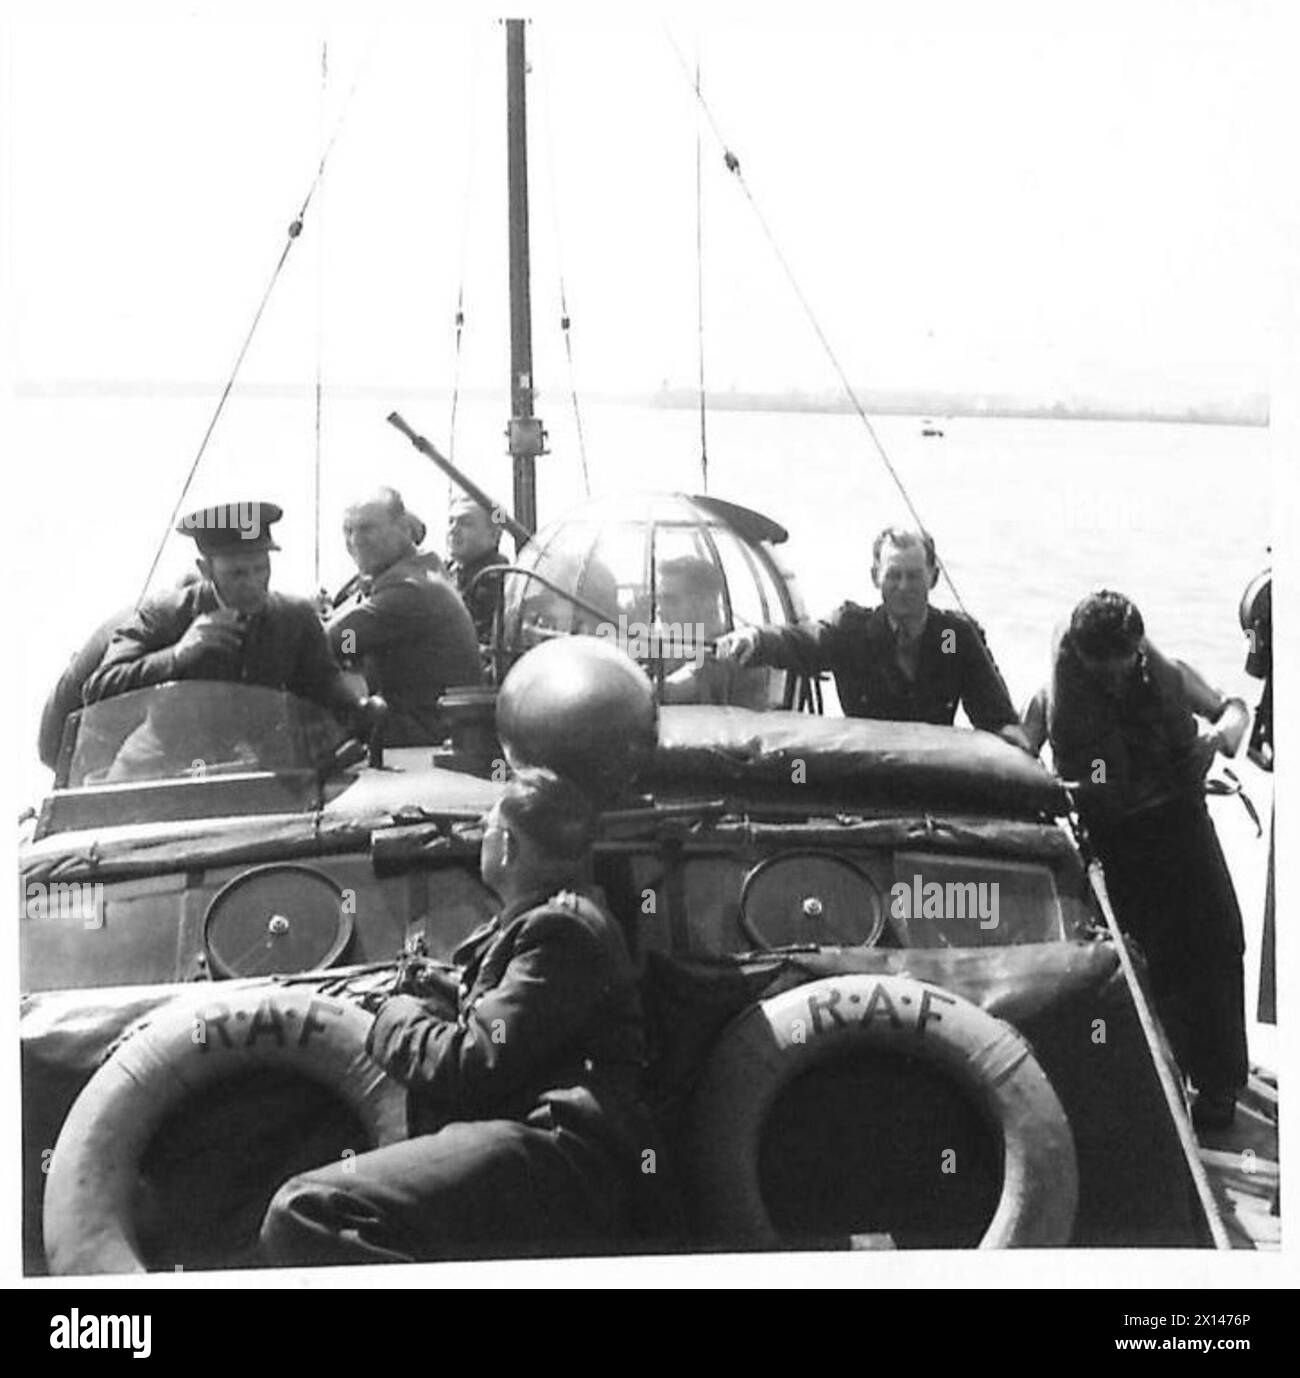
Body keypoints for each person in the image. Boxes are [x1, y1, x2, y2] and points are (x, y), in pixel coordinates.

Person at [259, 767, 653, 1265]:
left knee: (307, 1210)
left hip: (562, 1150)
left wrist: (394, 1015)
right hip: (537, 1140)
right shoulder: (545, 922)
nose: (480, 841)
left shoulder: (561, 930)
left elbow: (473, 1062)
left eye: (486, 828)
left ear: (507, 846)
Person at [1042, 590, 1251, 1131]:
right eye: (1100, 674)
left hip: (1183, 823)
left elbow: (1235, 708)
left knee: (1220, 937)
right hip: (1120, 840)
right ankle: (1153, 1084)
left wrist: (1221, 737)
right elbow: (1021, 743)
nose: (1115, 682)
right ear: (1082, 661)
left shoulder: (1165, 674)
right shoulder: (1054, 697)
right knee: (1144, 964)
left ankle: (1219, 1084)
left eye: (1123, 667)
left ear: (1136, 650)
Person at [715, 526, 1027, 746]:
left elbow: (994, 717)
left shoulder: (953, 637)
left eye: (914, 575)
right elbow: (801, 642)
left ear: (933, 577)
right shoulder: (853, 633)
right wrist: (756, 639)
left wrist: (1015, 737)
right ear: (875, 576)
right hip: (867, 777)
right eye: (894, 575)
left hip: (934, 777)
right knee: (801, 774)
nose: (904, 587)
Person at [83, 502, 366, 722]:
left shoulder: (295, 616)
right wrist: (176, 656)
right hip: (170, 762)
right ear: (206, 570)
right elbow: (98, 689)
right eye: (238, 574)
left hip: (270, 761)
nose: (254, 584)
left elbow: (327, 686)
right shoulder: (166, 614)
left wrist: (362, 710)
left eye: (261, 569)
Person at [324, 487, 483, 745]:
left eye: (367, 529)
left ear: (403, 529)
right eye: (348, 530)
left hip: (420, 738)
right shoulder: (412, 573)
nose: (355, 540)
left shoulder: (412, 589)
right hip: (412, 731)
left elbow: (329, 641)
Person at [654, 555, 770, 708]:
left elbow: (665, 692)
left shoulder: (736, 650)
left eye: (671, 600)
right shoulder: (677, 648)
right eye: (658, 600)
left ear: (706, 602)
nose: (659, 611)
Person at [446, 494, 508, 642]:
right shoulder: (447, 571)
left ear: (494, 534)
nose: (453, 530)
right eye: (451, 522)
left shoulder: (498, 580)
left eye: (465, 523)